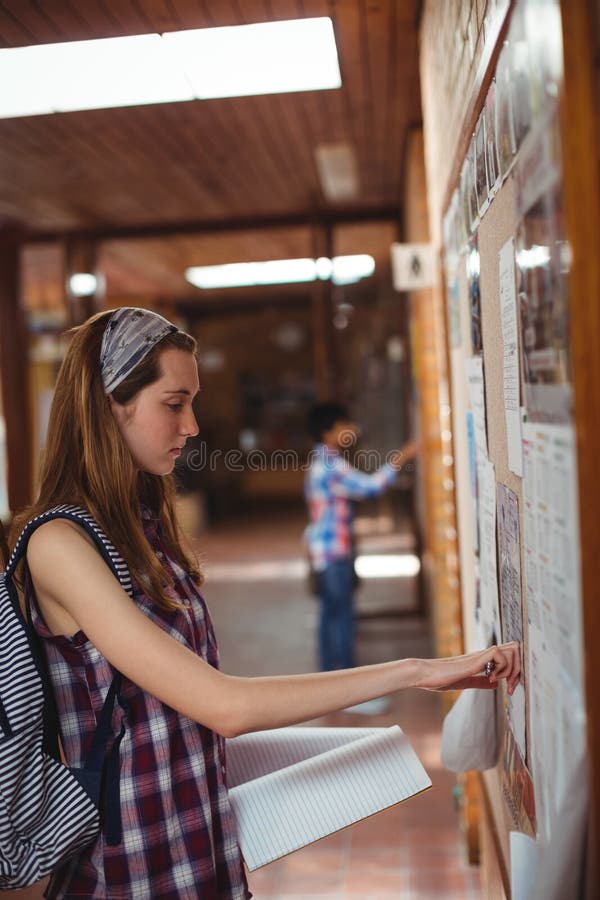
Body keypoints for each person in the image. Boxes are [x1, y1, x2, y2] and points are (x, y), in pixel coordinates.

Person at [10, 307, 520, 899]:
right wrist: (417, 672)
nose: (193, 426)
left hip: (205, 852)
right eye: (174, 404)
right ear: (107, 406)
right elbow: (222, 705)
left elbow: (177, 716)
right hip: (134, 870)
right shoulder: (59, 543)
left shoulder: (145, 527)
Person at [304, 402, 417, 672]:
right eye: (344, 426)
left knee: (330, 617)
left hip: (325, 553)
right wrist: (405, 455)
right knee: (342, 619)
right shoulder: (330, 466)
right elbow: (371, 487)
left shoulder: (321, 462)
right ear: (328, 432)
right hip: (334, 554)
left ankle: (328, 680)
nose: (351, 431)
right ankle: (346, 684)